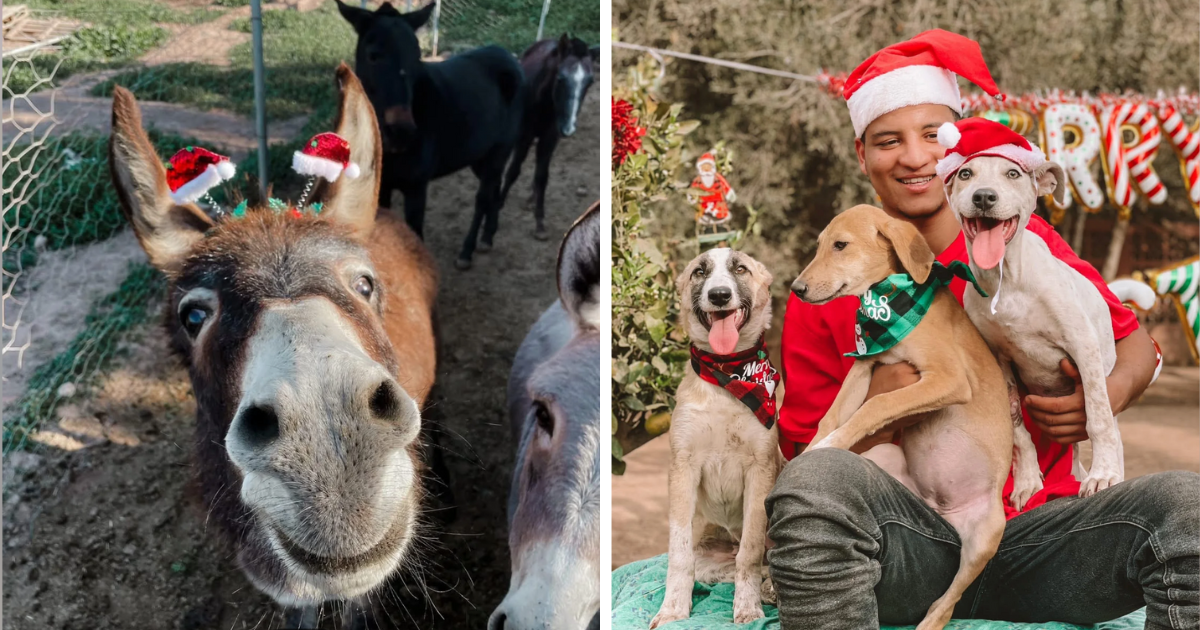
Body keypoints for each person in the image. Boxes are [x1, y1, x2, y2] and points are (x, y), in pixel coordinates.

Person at [767, 29, 1198, 629]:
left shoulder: (1026, 244)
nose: (914, 157)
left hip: (1043, 536)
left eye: (930, 137)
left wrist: (1100, 400)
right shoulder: (830, 284)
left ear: (955, 156)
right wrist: (894, 390)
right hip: (906, 539)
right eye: (889, 141)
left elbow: (1134, 342)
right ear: (862, 155)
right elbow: (807, 453)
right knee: (811, 483)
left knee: (1188, 507)